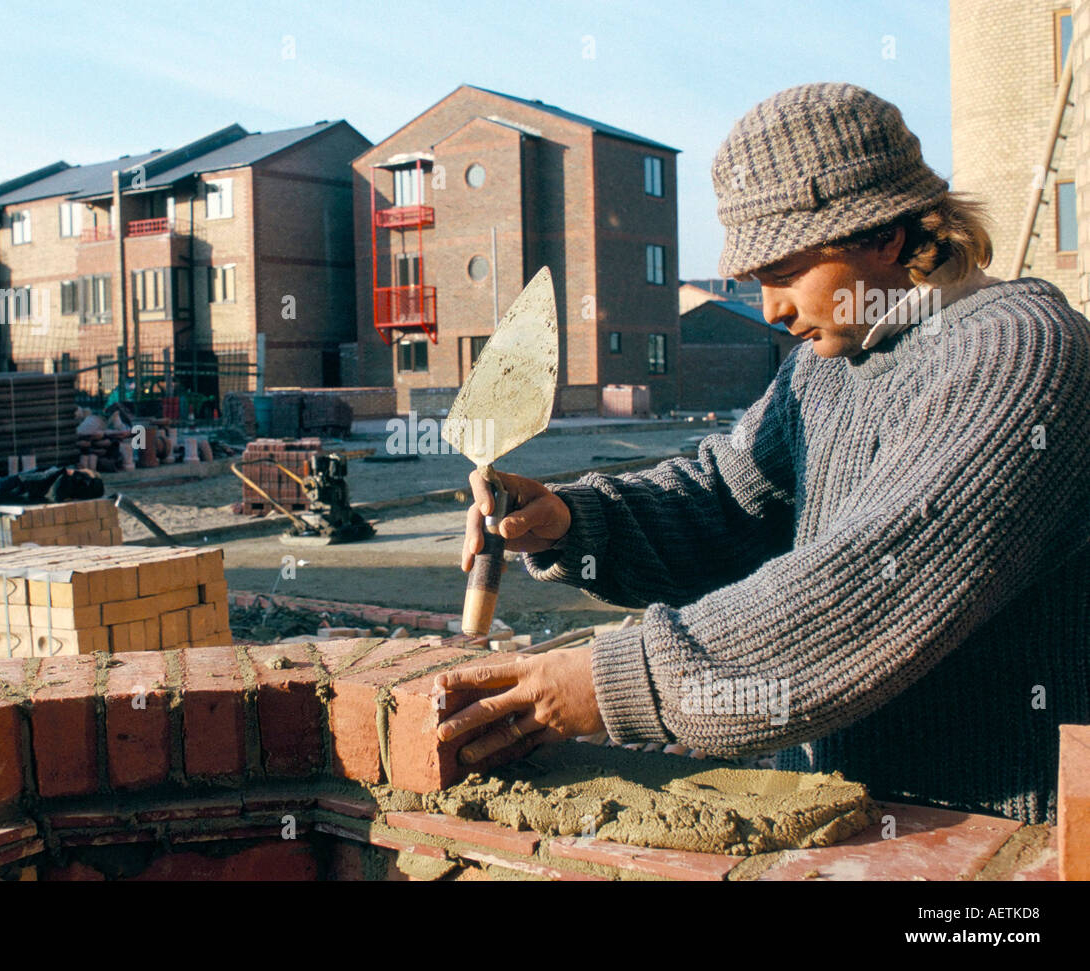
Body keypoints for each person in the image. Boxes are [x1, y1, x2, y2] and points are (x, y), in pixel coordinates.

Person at [436, 82, 1090, 825]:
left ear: (887, 233)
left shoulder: (1017, 355)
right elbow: (728, 502)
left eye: (785, 273)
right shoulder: (828, 363)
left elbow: (868, 587)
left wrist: (619, 683)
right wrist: (572, 522)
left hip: (980, 837)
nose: (772, 311)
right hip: (845, 819)